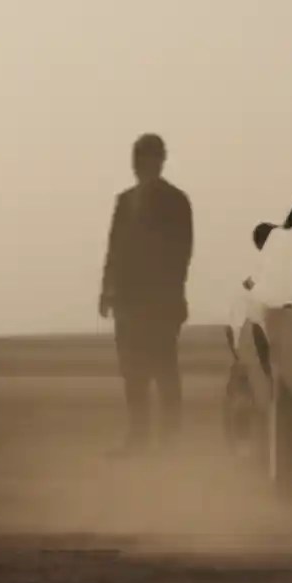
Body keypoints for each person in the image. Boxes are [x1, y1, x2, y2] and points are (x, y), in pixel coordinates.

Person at [99, 134, 193, 454]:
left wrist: (174, 296)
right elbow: (114, 248)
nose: (140, 164)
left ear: (160, 160)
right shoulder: (125, 201)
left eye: (148, 157)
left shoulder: (176, 201)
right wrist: (106, 290)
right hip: (128, 300)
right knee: (133, 372)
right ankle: (138, 436)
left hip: (160, 301)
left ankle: (170, 440)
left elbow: (182, 253)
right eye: (138, 157)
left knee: (164, 369)